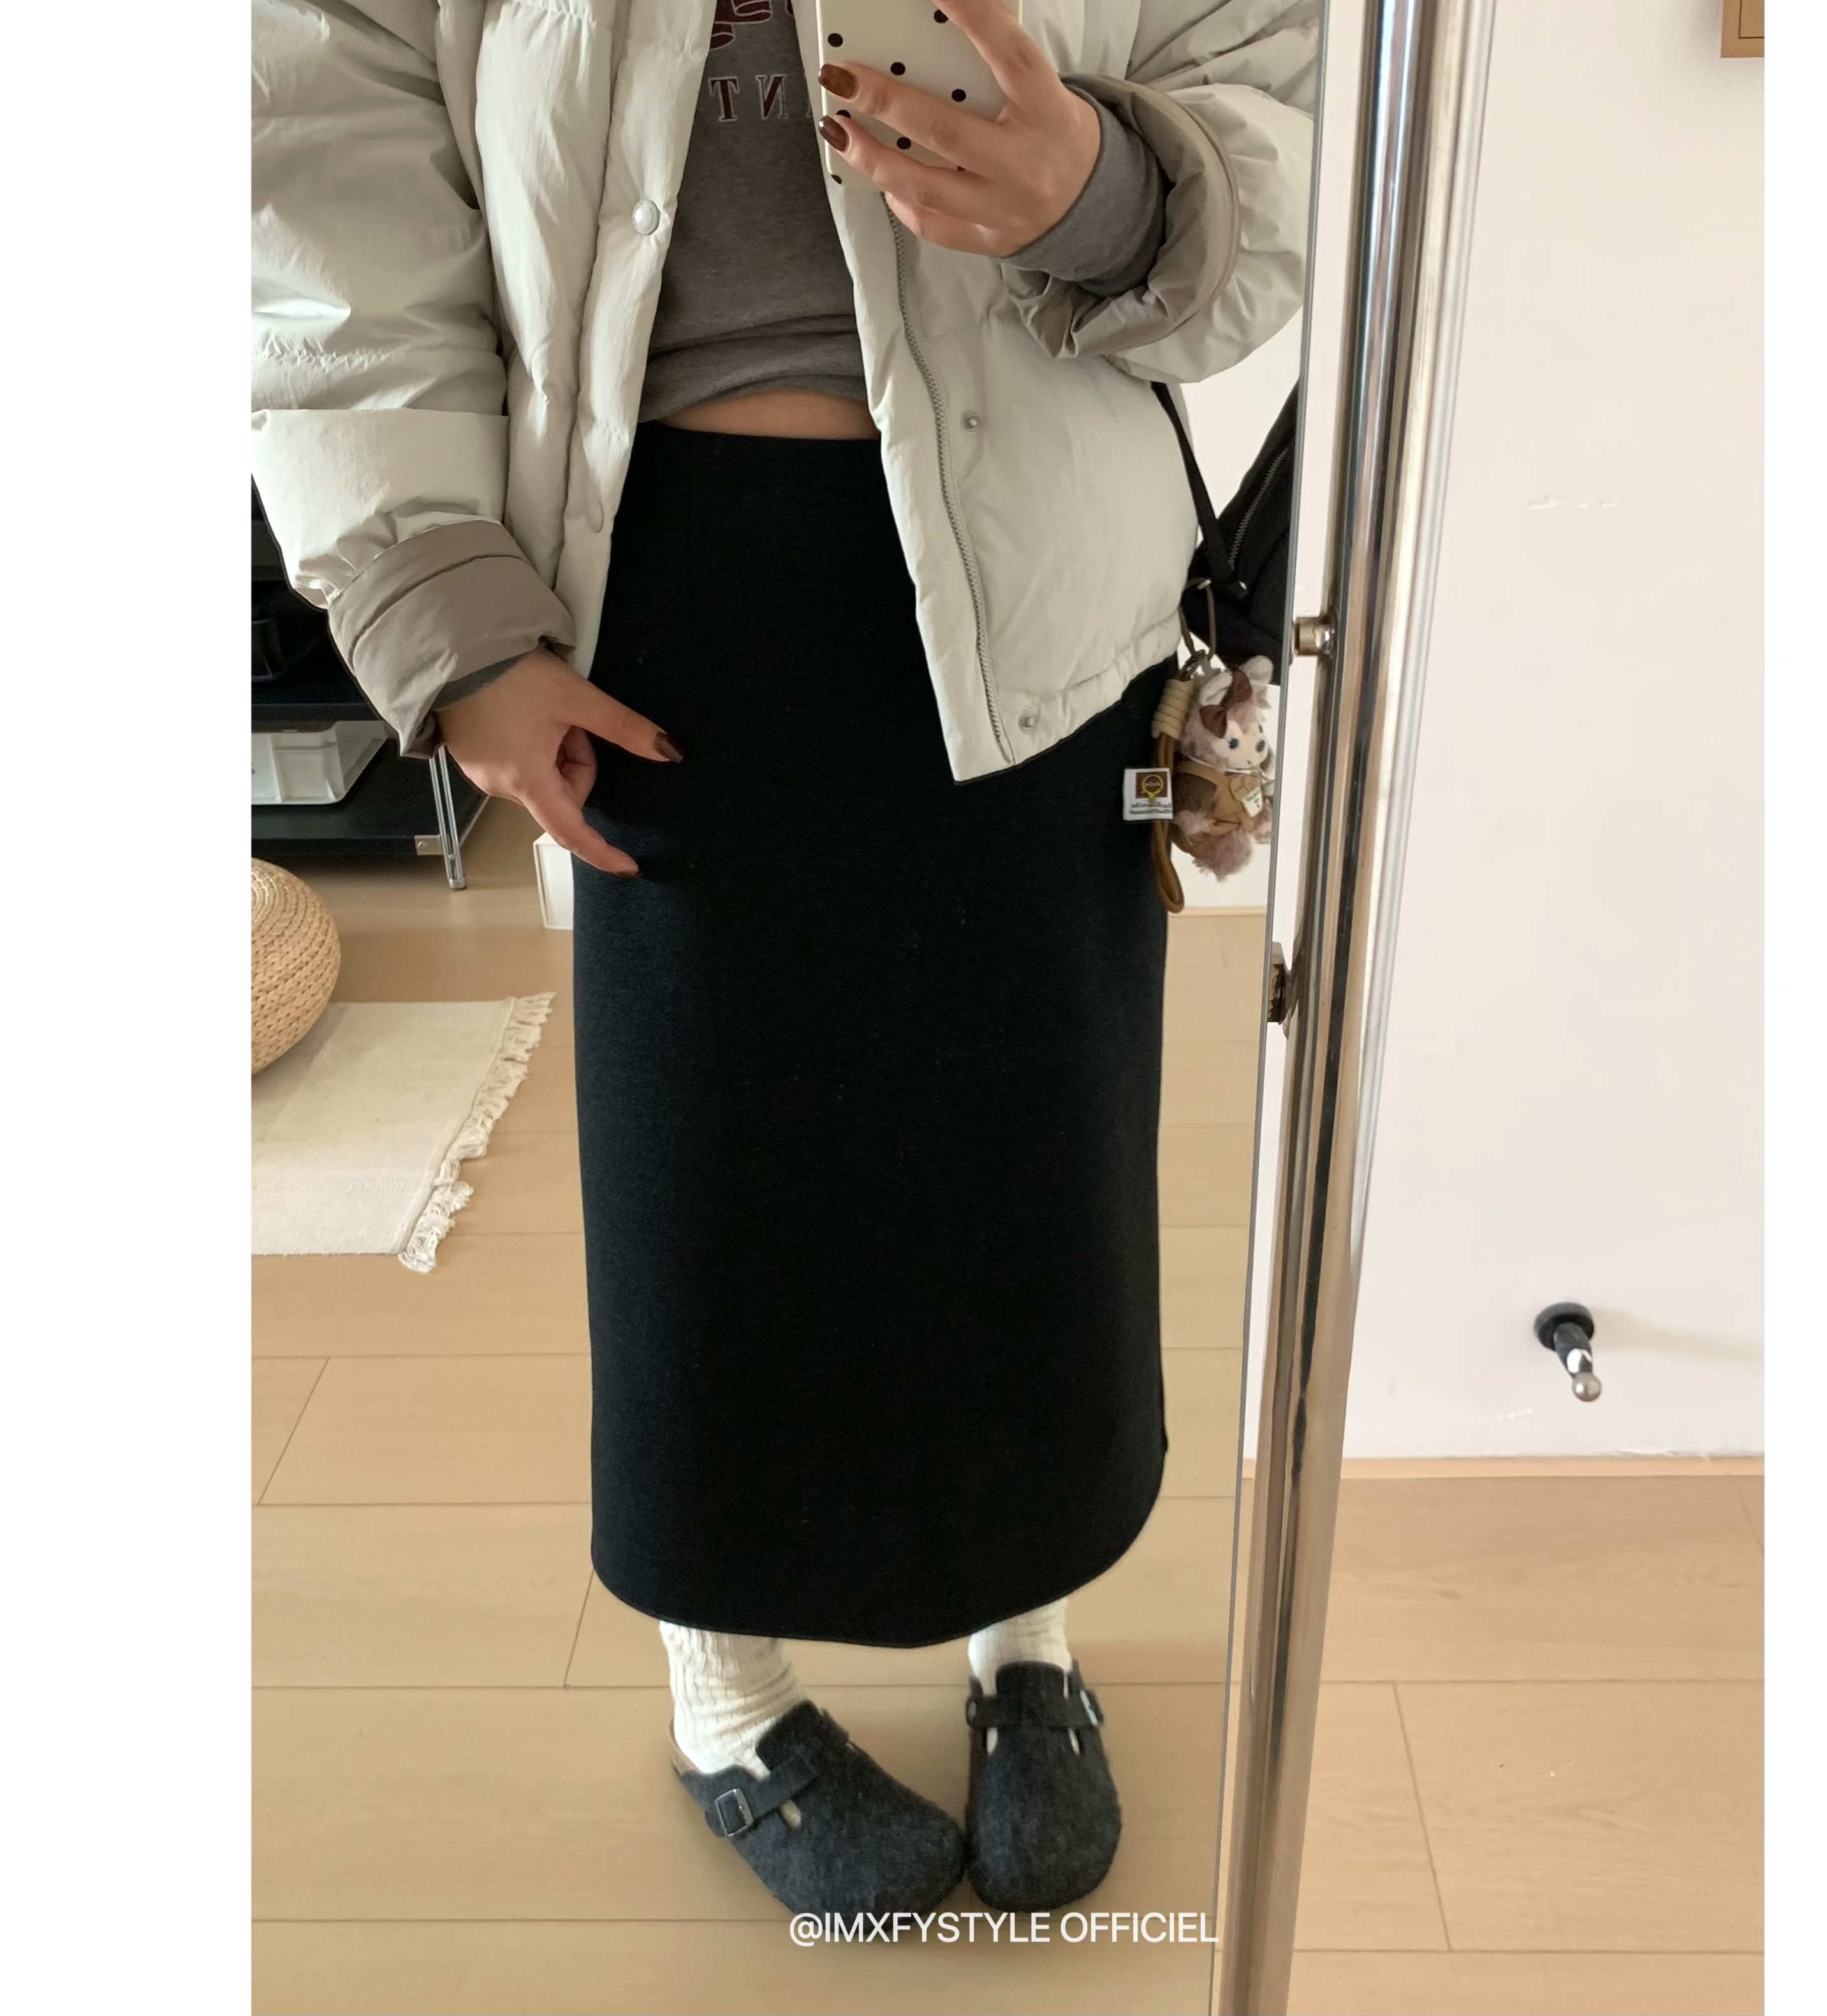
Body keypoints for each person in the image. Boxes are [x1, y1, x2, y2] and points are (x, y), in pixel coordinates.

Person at [253, 0, 1312, 1922]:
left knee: (1033, 1159)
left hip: (1047, 565)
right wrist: (420, 580)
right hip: (643, 584)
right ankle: (726, 1695)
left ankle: (1025, 1631)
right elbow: (323, 144)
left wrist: (1115, 194)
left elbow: (1267, 68)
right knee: (710, 1185)